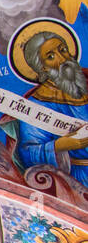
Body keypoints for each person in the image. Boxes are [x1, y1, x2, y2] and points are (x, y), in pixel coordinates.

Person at [6, 21, 88, 193]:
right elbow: (27, 153)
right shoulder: (38, 104)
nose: (62, 59)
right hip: (82, 180)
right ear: (42, 68)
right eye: (51, 56)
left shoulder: (85, 81)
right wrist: (60, 145)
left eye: (63, 50)